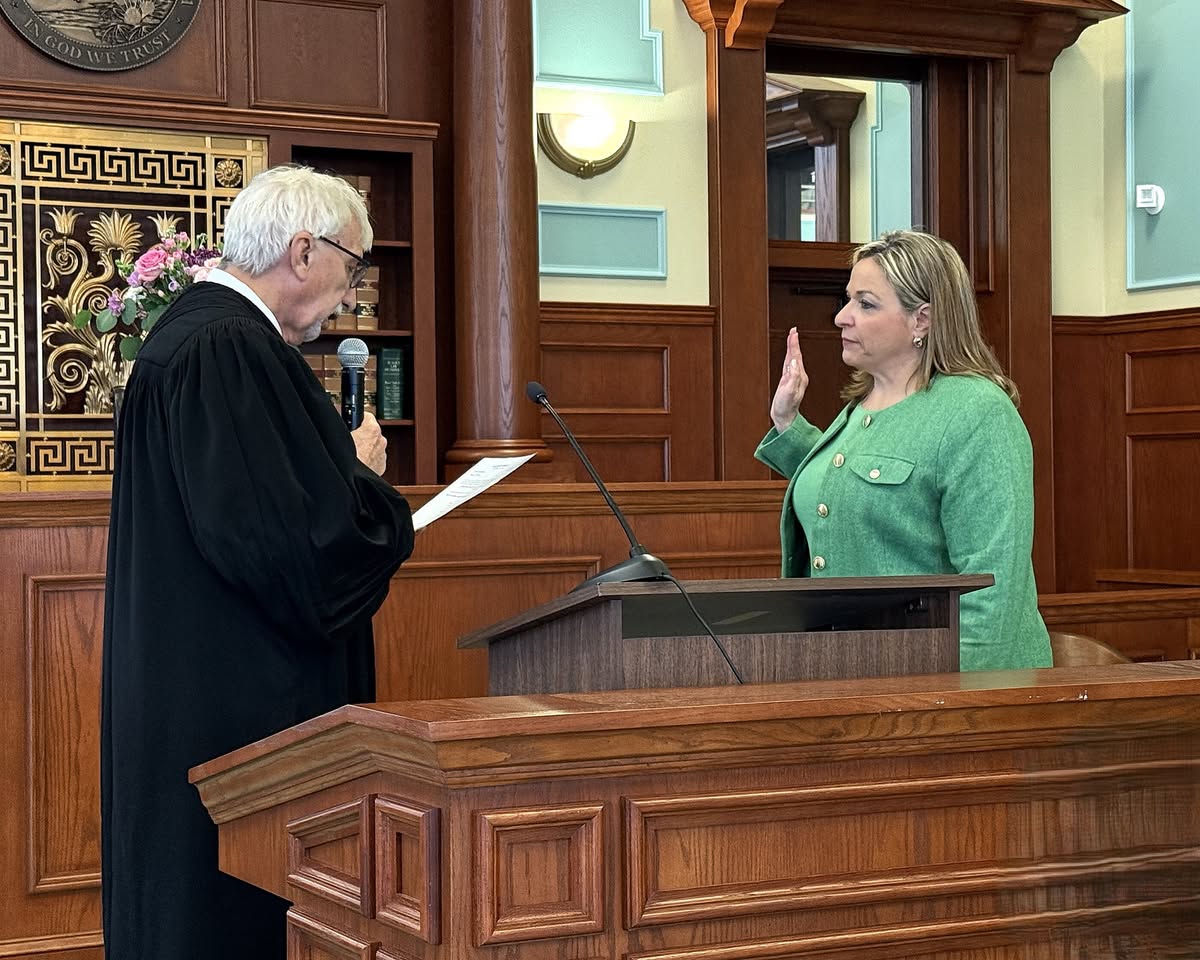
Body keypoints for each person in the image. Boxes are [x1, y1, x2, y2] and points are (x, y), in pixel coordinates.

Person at [101, 165, 416, 958]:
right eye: (353, 266)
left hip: (199, 686)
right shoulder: (227, 348)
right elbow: (289, 550)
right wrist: (362, 482)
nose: (351, 293)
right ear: (303, 250)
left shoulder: (202, 334)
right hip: (241, 709)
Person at [755, 229, 1051, 671]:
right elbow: (859, 496)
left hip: (937, 693)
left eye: (865, 303)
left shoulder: (977, 412)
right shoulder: (861, 405)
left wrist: (963, 707)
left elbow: (992, 590)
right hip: (854, 674)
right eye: (847, 298)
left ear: (922, 320)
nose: (841, 316)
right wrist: (788, 425)